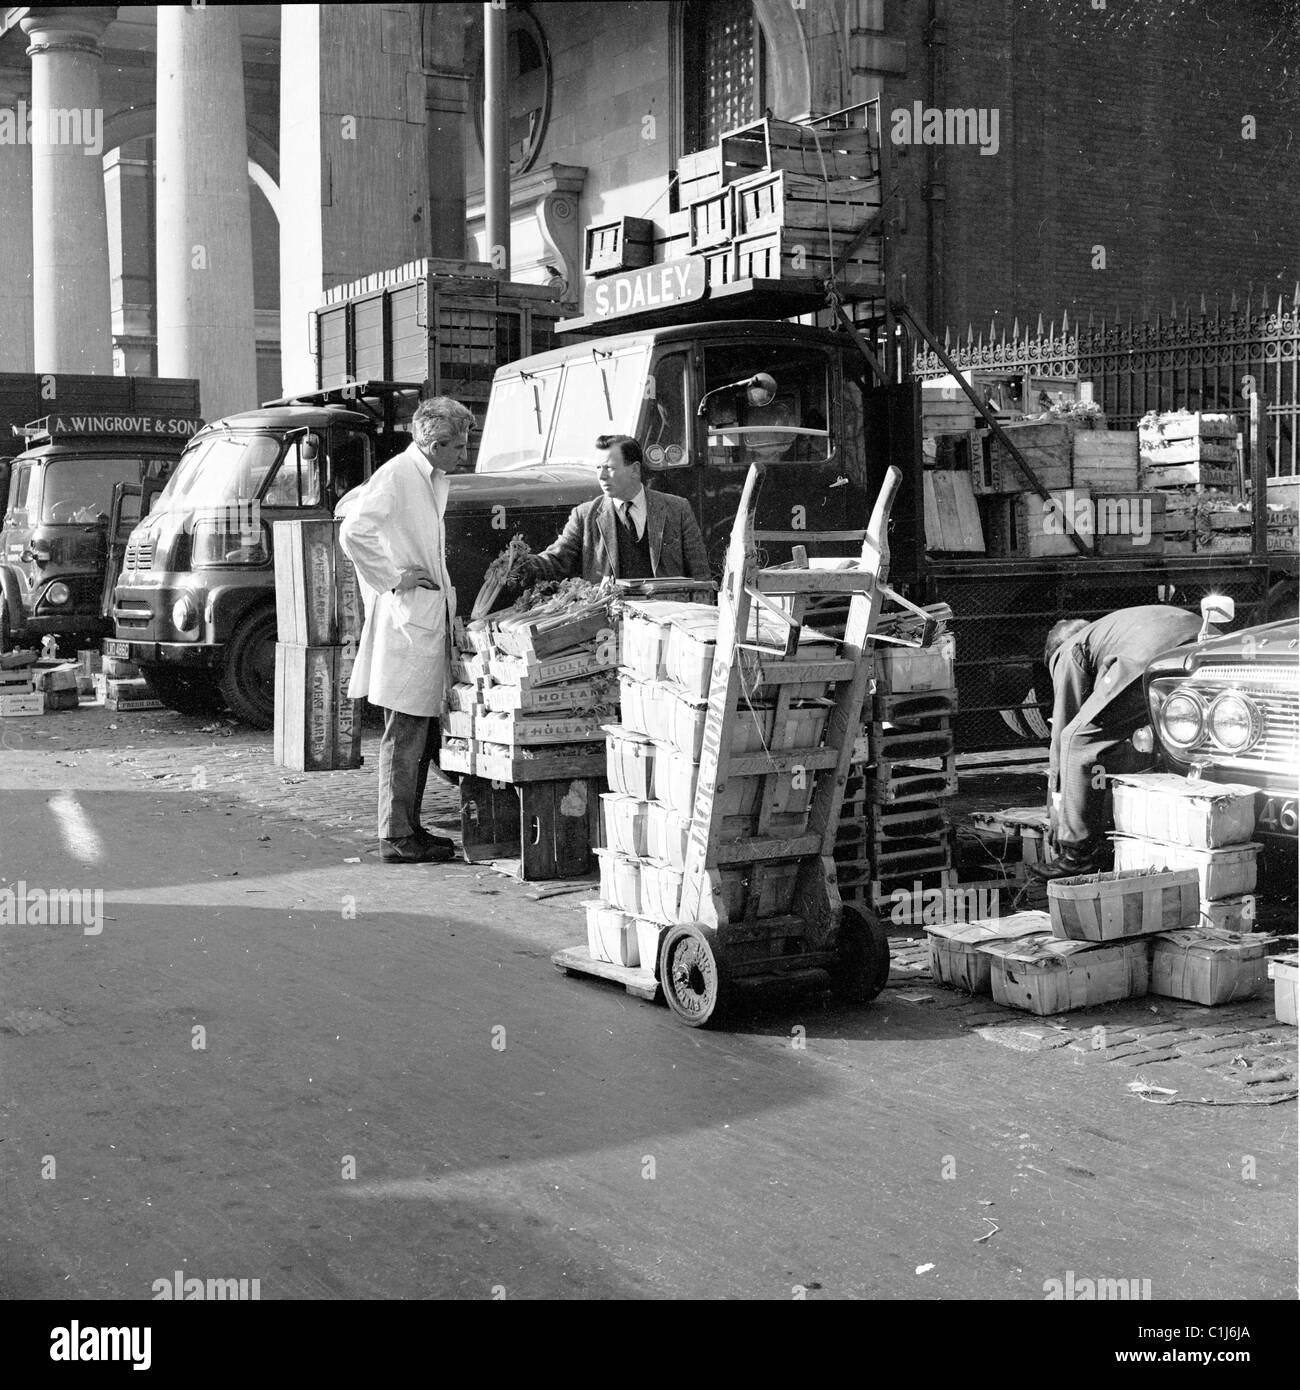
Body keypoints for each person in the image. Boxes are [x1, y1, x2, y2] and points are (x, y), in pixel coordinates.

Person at [337, 397, 474, 864]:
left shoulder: (429, 477)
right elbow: (354, 532)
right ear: (434, 443)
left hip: (423, 616)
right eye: (457, 445)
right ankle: (396, 835)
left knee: (416, 730)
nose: (463, 453)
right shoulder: (398, 475)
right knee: (406, 729)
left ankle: (408, 829)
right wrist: (394, 578)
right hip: (409, 619)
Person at [1032, 603, 1203, 878]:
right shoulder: (1112, 633)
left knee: (1078, 740)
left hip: (1151, 653)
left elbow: (1064, 734)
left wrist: (1056, 807)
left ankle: (1075, 855)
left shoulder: (1069, 649)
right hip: (1204, 637)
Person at [511, 434, 711, 586]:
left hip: (667, 619)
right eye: (598, 468)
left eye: (610, 468)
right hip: (609, 624)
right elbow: (556, 559)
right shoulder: (584, 515)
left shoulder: (677, 508)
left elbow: (701, 574)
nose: (602, 476)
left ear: (634, 470)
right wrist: (520, 565)